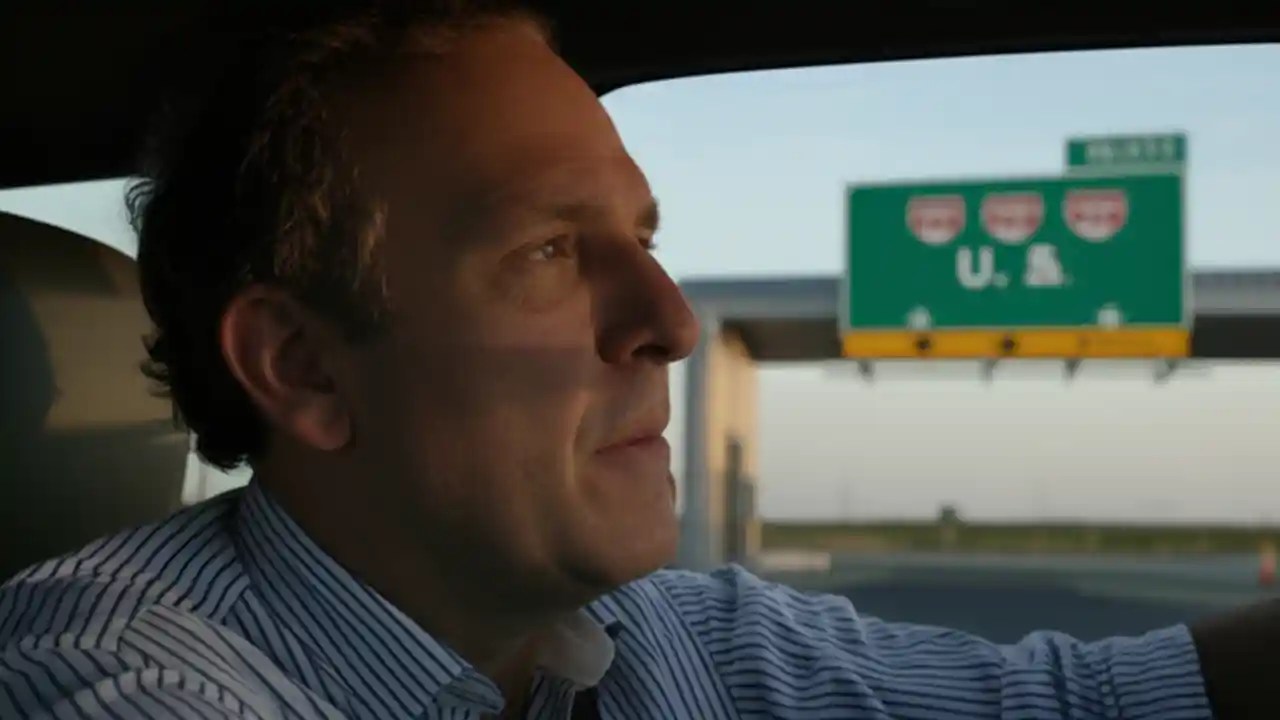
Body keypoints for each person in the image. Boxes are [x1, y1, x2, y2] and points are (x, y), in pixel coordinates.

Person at [0, 2, 1271, 718]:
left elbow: (1109, 702)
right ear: (305, 369)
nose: (669, 318)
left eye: (643, 239)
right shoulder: (111, 681)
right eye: (551, 251)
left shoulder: (673, 638)